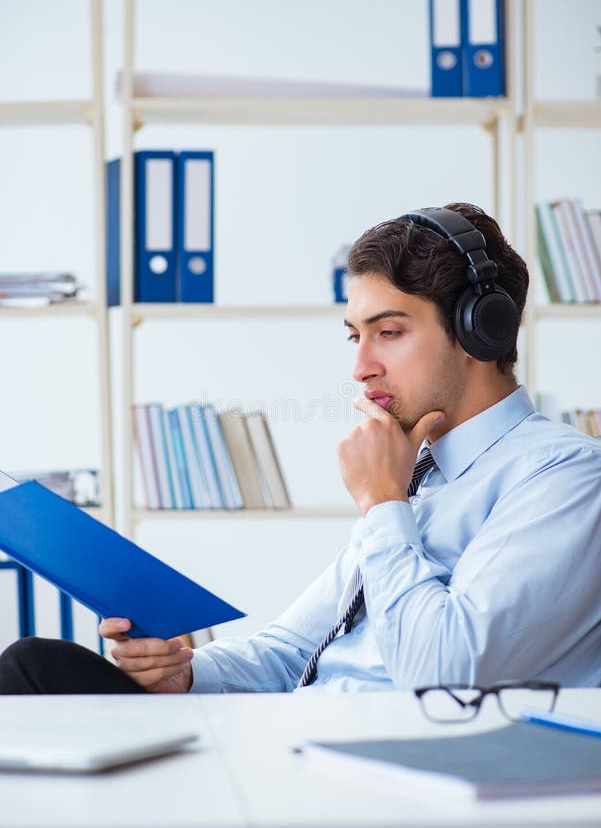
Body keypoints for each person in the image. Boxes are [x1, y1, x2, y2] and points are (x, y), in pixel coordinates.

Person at [1, 202, 600, 695]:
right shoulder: (417, 476)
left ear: (481, 329)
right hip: (292, 739)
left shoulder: (563, 476)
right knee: (37, 664)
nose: (362, 368)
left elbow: (443, 676)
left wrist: (384, 507)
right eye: (356, 336)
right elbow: (291, 653)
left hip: (387, 769)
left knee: (32, 674)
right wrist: (185, 675)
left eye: (389, 333)